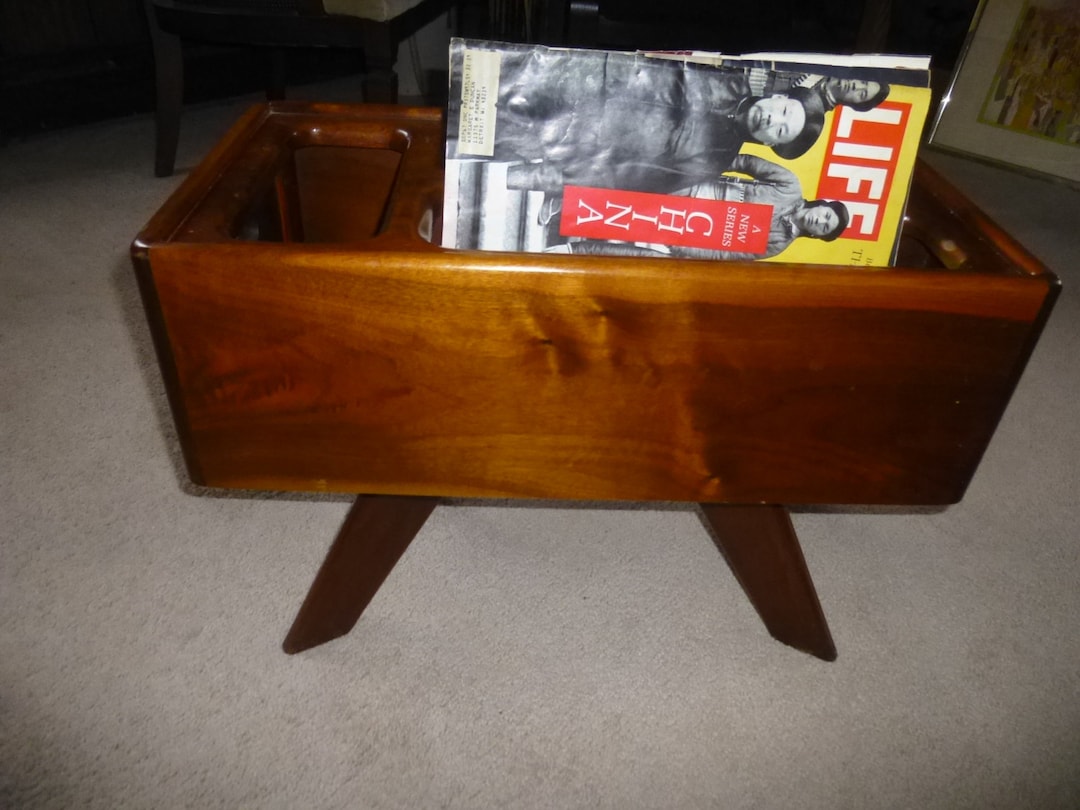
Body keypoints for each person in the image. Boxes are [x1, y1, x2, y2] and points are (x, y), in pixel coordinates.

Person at [479, 48, 827, 195]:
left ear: (770, 142)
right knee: (473, 77)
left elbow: (622, 178)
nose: (773, 119)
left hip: (552, 137)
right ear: (779, 98)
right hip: (561, 74)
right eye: (784, 111)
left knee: (470, 131)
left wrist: (533, 177)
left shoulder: (713, 161)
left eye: (781, 130)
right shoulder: (725, 70)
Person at [548, 153, 850, 262]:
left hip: (692, 229)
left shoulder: (778, 244)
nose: (820, 221)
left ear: (817, 235)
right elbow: (746, 163)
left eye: (825, 227)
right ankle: (560, 202)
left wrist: (685, 248)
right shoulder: (791, 186)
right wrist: (703, 167)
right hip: (699, 189)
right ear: (822, 205)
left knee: (631, 222)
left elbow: (727, 255)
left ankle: (566, 228)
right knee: (631, 191)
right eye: (826, 215)